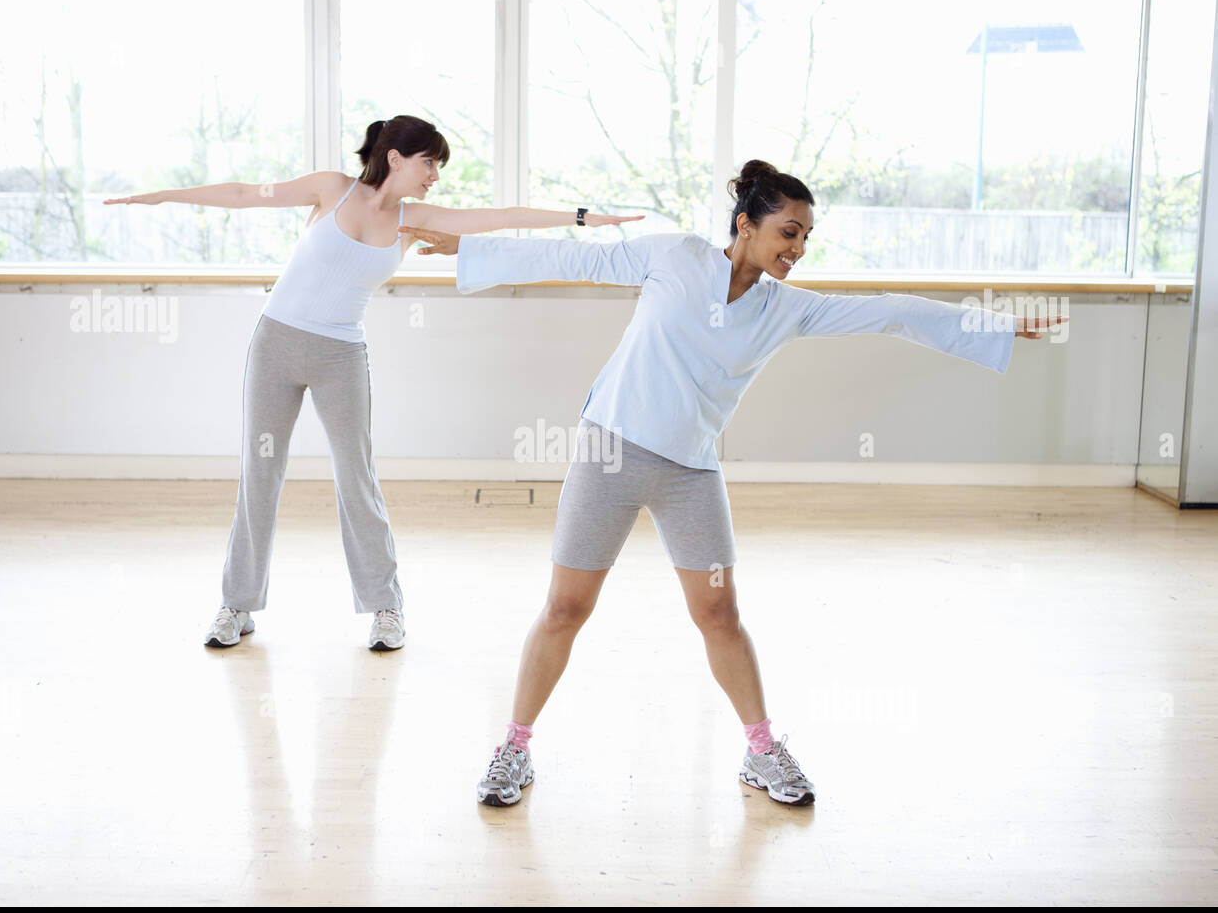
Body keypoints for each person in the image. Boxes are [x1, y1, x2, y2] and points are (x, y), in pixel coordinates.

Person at [399, 158, 1061, 807]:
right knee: (566, 609)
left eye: (806, 236)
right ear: (745, 223)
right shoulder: (675, 257)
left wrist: (993, 322)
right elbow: (578, 260)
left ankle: (761, 748)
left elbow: (891, 312)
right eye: (789, 232)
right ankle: (515, 745)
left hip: (690, 468)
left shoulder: (785, 309)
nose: (798, 248)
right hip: (610, 452)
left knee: (719, 612)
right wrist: (467, 247)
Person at [104, 115, 641, 652]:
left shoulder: (413, 218)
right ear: (395, 158)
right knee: (260, 472)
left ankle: (386, 608)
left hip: (341, 355)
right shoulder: (330, 189)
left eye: (438, 166)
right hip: (276, 344)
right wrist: (163, 197)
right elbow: (246, 193)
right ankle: (237, 605)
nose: (435, 175)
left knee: (356, 477)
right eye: (429, 162)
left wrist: (581, 216)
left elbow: (501, 215)